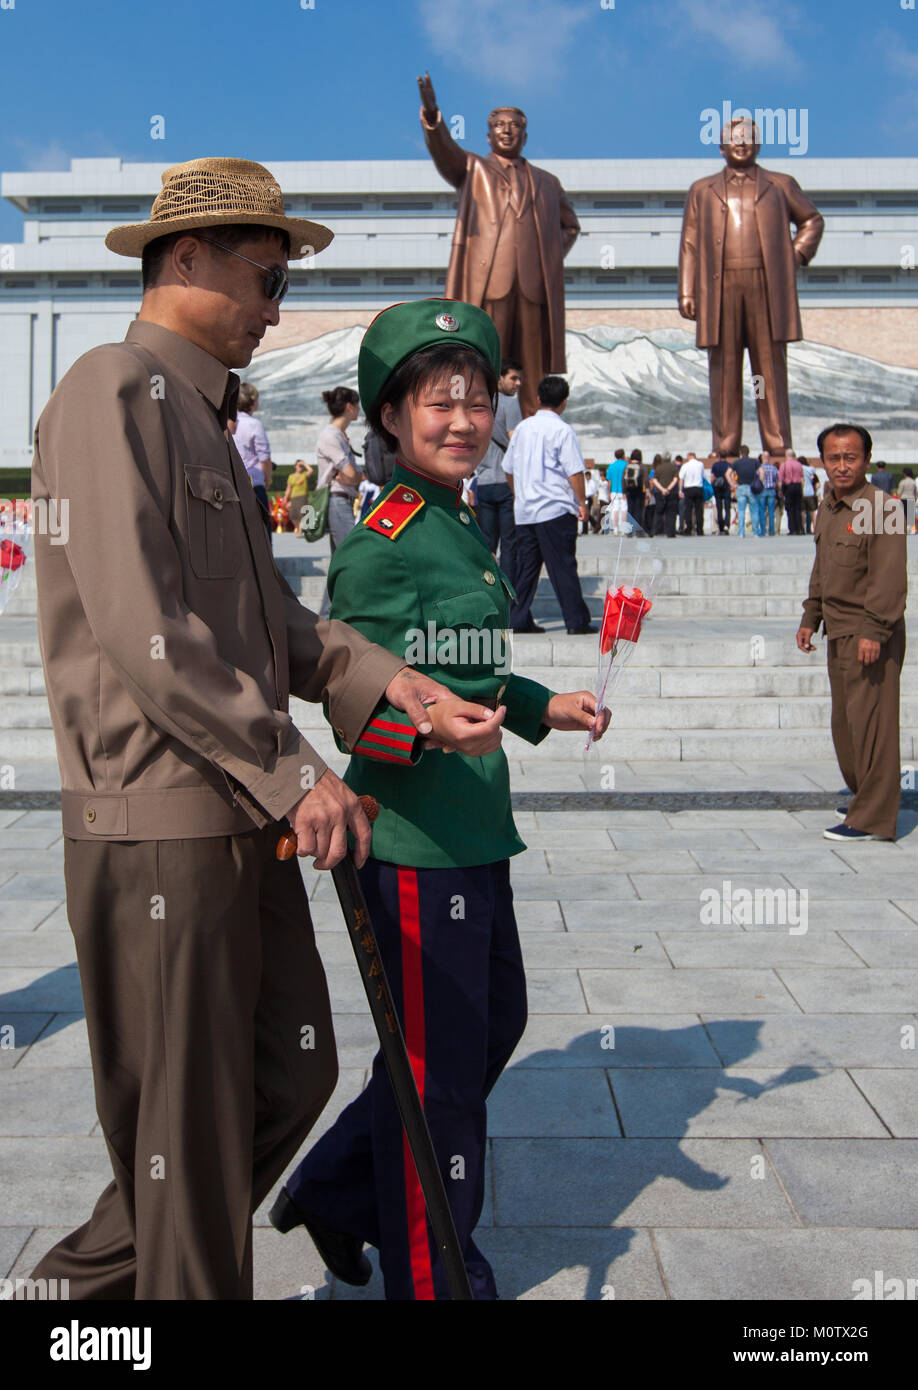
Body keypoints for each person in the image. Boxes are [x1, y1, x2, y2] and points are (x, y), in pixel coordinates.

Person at [26, 156, 465, 1301]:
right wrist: (291, 768)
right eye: (266, 280)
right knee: (191, 1134)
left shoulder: (206, 421)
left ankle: (82, 1299)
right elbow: (143, 625)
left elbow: (266, 621)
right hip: (165, 825)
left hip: (243, 815)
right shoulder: (110, 392)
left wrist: (393, 685)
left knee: (290, 1072)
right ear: (186, 259)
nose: (278, 309)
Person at [269, 298, 610, 1299]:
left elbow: (468, 668)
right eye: (439, 404)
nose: (465, 420)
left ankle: (335, 1187)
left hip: (473, 828)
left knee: (487, 1025)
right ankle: (438, 1276)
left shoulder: (458, 520)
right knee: (442, 1079)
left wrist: (549, 704)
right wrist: (416, 726)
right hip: (412, 839)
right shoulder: (382, 536)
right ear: (391, 417)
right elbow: (353, 700)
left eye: (476, 401)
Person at [418, 74, 580, 419]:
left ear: (524, 134)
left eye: (515, 126)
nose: (507, 131)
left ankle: (537, 425)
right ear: (489, 135)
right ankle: (482, 421)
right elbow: (445, 152)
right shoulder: (473, 169)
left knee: (533, 368)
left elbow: (571, 226)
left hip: (534, 287)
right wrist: (433, 118)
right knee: (485, 357)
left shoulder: (548, 183)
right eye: (500, 126)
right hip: (489, 281)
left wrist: (547, 260)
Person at [678, 116, 824, 455]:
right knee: (725, 368)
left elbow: (812, 220)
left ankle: (776, 441)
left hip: (766, 285)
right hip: (721, 287)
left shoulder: (780, 184)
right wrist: (687, 290)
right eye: (734, 138)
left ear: (758, 144)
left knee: (766, 369)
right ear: (721, 146)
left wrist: (795, 256)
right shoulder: (702, 189)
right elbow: (690, 242)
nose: (741, 143)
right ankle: (725, 442)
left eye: (747, 138)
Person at [797, 424, 907, 842]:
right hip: (839, 631)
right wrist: (811, 617)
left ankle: (873, 817)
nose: (842, 466)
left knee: (873, 726)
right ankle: (865, 795)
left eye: (851, 457)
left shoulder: (883, 508)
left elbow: (890, 577)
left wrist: (875, 631)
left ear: (865, 460)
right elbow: (822, 569)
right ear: (822, 461)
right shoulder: (829, 505)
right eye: (833, 458)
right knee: (846, 725)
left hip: (869, 633)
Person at [503, 374, 595, 634]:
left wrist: (518, 494)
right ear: (563, 402)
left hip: (525, 511)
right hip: (554, 508)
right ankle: (576, 621)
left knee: (526, 569)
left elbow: (508, 468)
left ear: (539, 399)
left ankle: (517, 618)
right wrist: (582, 502)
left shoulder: (522, 428)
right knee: (562, 566)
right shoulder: (562, 430)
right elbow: (574, 472)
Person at [316, 385, 362, 617]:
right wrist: (355, 476)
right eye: (357, 405)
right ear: (349, 407)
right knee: (350, 557)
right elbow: (352, 474)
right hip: (337, 500)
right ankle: (329, 614)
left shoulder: (339, 435)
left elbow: (352, 474)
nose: (360, 410)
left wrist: (353, 475)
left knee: (341, 560)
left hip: (343, 500)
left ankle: (328, 614)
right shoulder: (330, 436)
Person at [474, 357, 522, 580]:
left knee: (486, 544)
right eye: (513, 378)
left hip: (483, 482)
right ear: (500, 378)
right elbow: (515, 441)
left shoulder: (479, 402)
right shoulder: (510, 404)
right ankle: (509, 594)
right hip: (505, 482)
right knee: (509, 543)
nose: (518, 383)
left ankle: (487, 585)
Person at [233, 380, 274, 539]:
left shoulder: (228, 421)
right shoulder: (254, 424)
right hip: (254, 484)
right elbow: (264, 458)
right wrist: (267, 479)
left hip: (234, 483)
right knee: (262, 533)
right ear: (252, 401)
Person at [728, 450, 761, 538]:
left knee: (741, 510)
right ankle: (756, 532)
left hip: (741, 487)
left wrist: (733, 484)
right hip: (751, 487)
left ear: (741, 453)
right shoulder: (754, 462)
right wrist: (760, 482)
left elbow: (727, 473)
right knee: (754, 511)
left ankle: (741, 532)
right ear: (748, 452)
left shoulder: (737, 462)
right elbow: (762, 472)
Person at [651, 450, 680, 538]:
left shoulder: (658, 468)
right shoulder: (674, 467)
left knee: (658, 512)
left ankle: (654, 530)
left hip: (660, 493)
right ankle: (670, 532)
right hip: (672, 493)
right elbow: (675, 480)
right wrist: (668, 489)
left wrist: (662, 489)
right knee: (671, 513)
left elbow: (654, 480)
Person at [678, 450, 705, 536]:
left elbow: (681, 478)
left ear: (688, 457)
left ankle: (689, 529)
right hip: (698, 487)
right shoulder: (700, 464)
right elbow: (702, 476)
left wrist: (680, 490)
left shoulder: (685, 466)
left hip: (688, 488)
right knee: (699, 510)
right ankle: (700, 529)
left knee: (688, 510)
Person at [284, 458, 313, 535]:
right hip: (293, 497)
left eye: (301, 466)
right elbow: (288, 488)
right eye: (299, 465)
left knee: (301, 514)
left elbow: (311, 471)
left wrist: (304, 463)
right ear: (295, 466)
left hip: (302, 497)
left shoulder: (304, 475)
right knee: (293, 515)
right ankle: (298, 528)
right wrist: (285, 498)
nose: (300, 467)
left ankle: (300, 531)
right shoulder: (291, 476)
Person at [779, 449, 804, 535]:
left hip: (789, 486)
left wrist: (780, 491)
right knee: (798, 508)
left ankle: (792, 529)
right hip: (798, 486)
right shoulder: (799, 464)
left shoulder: (784, 464)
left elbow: (781, 479)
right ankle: (800, 528)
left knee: (790, 509)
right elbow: (802, 478)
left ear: (786, 455)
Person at [606, 449, 628, 535]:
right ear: (623, 455)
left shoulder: (611, 466)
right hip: (623, 491)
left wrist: (609, 491)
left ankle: (615, 529)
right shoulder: (626, 465)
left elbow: (609, 481)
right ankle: (623, 530)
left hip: (614, 490)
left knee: (614, 509)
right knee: (624, 509)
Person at [758, 450, 780, 536]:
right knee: (771, 512)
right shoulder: (773, 468)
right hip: (771, 490)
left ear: (762, 458)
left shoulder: (759, 467)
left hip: (762, 490)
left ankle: (763, 530)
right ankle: (771, 531)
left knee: (762, 511)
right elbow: (777, 480)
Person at [711, 450, 732, 534]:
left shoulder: (715, 465)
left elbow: (712, 477)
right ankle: (727, 525)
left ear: (719, 456)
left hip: (717, 488)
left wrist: (712, 485)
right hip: (726, 488)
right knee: (727, 508)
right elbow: (732, 476)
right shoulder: (729, 465)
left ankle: (721, 527)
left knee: (719, 508)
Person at [624, 448, 645, 529]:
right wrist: (647, 490)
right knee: (638, 510)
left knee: (630, 509)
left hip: (629, 490)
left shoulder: (627, 466)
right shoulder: (641, 466)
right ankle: (638, 529)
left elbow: (623, 479)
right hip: (639, 491)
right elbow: (645, 480)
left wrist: (624, 491)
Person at [801, 454, 820, 534]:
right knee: (812, 513)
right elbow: (817, 483)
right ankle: (815, 529)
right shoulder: (810, 470)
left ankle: (803, 529)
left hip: (802, 493)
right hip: (810, 493)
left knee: (802, 512)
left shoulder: (799, 469)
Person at [898, 466, 917, 532]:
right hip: (911, 498)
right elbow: (915, 492)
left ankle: (904, 528)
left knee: (903, 514)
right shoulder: (913, 482)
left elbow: (899, 492)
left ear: (905, 474)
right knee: (910, 515)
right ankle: (911, 529)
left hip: (903, 498)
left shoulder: (902, 482)